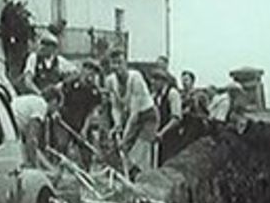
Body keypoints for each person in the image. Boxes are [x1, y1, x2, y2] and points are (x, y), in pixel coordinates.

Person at [105, 48, 156, 179]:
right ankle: (125, 179)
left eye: (119, 63)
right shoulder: (110, 81)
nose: (116, 67)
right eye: (113, 63)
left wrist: (124, 137)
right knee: (121, 152)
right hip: (131, 118)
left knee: (137, 155)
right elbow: (115, 107)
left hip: (148, 117)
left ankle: (141, 181)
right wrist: (117, 124)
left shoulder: (135, 78)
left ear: (125, 63)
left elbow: (135, 114)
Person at [50, 59, 105, 169]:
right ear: (82, 70)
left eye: (93, 72)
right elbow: (56, 95)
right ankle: (56, 174)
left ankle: (85, 175)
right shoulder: (69, 83)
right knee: (61, 145)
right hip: (63, 121)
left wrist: (84, 130)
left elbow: (91, 112)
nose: (90, 73)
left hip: (81, 124)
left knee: (87, 152)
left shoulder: (94, 91)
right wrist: (55, 111)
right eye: (88, 69)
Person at [21, 32, 77, 96]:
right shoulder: (34, 58)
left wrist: (61, 84)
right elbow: (28, 81)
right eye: (42, 44)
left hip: (54, 97)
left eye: (47, 45)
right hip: (37, 95)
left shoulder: (59, 60)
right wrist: (39, 93)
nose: (43, 47)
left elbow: (75, 73)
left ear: (53, 48)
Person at [151, 66, 184, 165]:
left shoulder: (172, 94)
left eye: (156, 79)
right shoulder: (155, 96)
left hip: (171, 138)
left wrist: (162, 132)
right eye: (152, 79)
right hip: (158, 139)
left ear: (163, 81)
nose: (153, 82)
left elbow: (176, 118)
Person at [11, 93, 49, 169]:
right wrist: (35, 165)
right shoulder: (42, 106)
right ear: (54, 101)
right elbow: (31, 139)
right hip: (12, 125)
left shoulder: (33, 100)